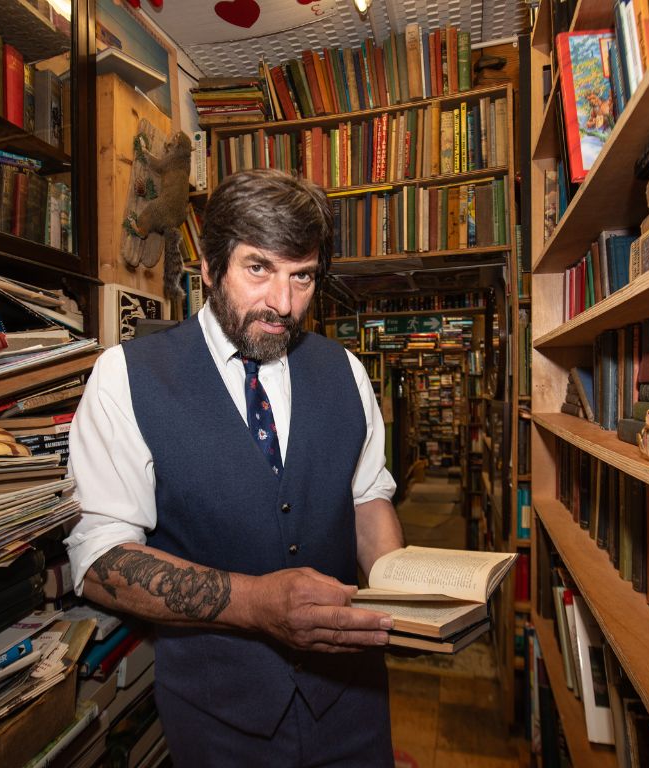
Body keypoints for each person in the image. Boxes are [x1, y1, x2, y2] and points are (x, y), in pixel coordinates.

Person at [65, 168, 404, 766]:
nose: (282, 303)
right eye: (258, 269)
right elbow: (100, 561)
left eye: (302, 277)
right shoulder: (126, 378)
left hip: (352, 701)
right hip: (218, 718)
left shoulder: (346, 372)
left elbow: (367, 500)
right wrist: (256, 604)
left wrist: (410, 598)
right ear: (208, 267)